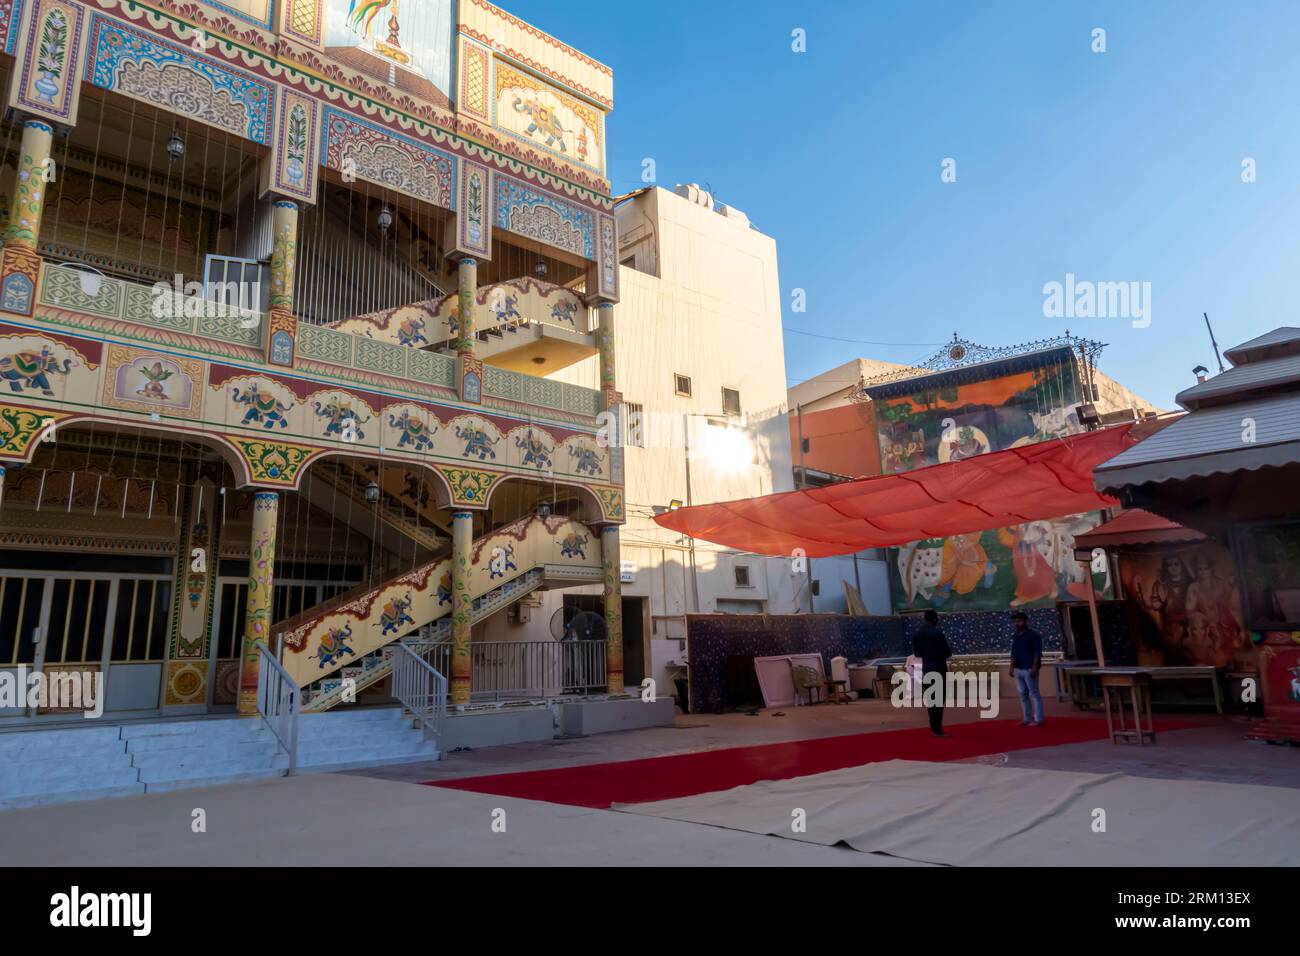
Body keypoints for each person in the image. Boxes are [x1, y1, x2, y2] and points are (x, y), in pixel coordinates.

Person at [911, 608, 952, 737]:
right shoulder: (937, 632)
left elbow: (917, 653)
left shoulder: (917, 633)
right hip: (939, 668)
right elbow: (947, 653)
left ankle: (934, 727)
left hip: (927, 668)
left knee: (931, 699)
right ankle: (938, 728)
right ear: (935, 619)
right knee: (939, 700)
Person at [1009, 611, 1043, 726]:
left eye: (1019, 621)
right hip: (1018, 669)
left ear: (1025, 621)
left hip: (1029, 668)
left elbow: (1037, 653)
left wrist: (1034, 667)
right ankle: (1027, 718)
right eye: (1015, 622)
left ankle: (1038, 719)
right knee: (1022, 694)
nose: (1017, 624)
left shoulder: (1034, 635)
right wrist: (1011, 667)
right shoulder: (1015, 635)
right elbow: (1013, 652)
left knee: (1034, 693)